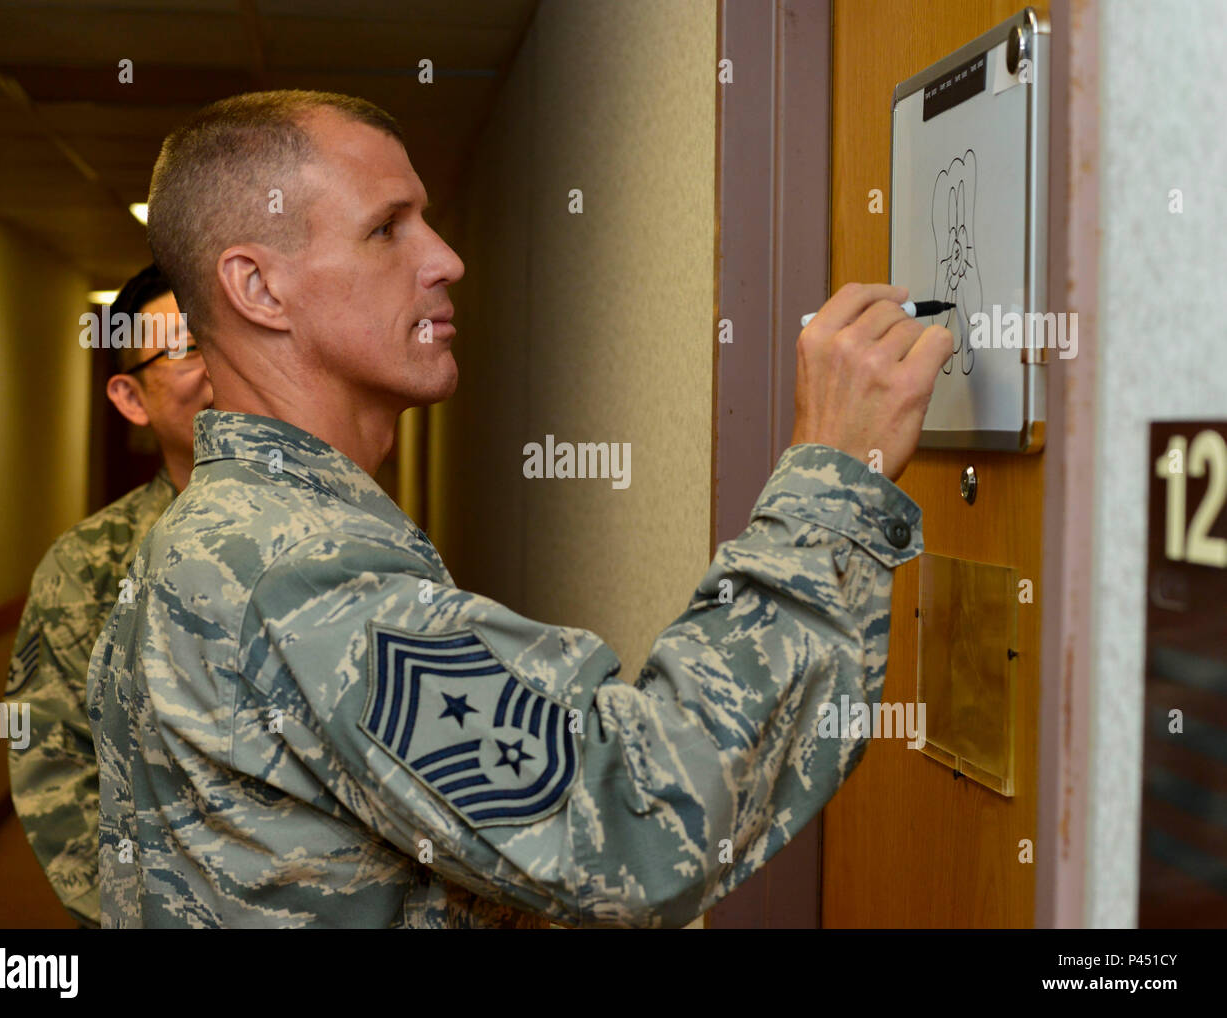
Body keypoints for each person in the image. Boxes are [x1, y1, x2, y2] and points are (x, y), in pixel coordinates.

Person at [87, 90, 952, 928]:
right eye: (387, 228)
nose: (446, 259)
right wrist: (834, 476)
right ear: (259, 290)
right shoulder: (292, 568)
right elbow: (641, 820)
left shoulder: (227, 531)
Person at [5, 265, 211, 926]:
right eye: (184, 347)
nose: (218, 367)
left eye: (230, 338)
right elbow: (54, 770)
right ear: (131, 398)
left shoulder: (342, 536)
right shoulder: (86, 569)